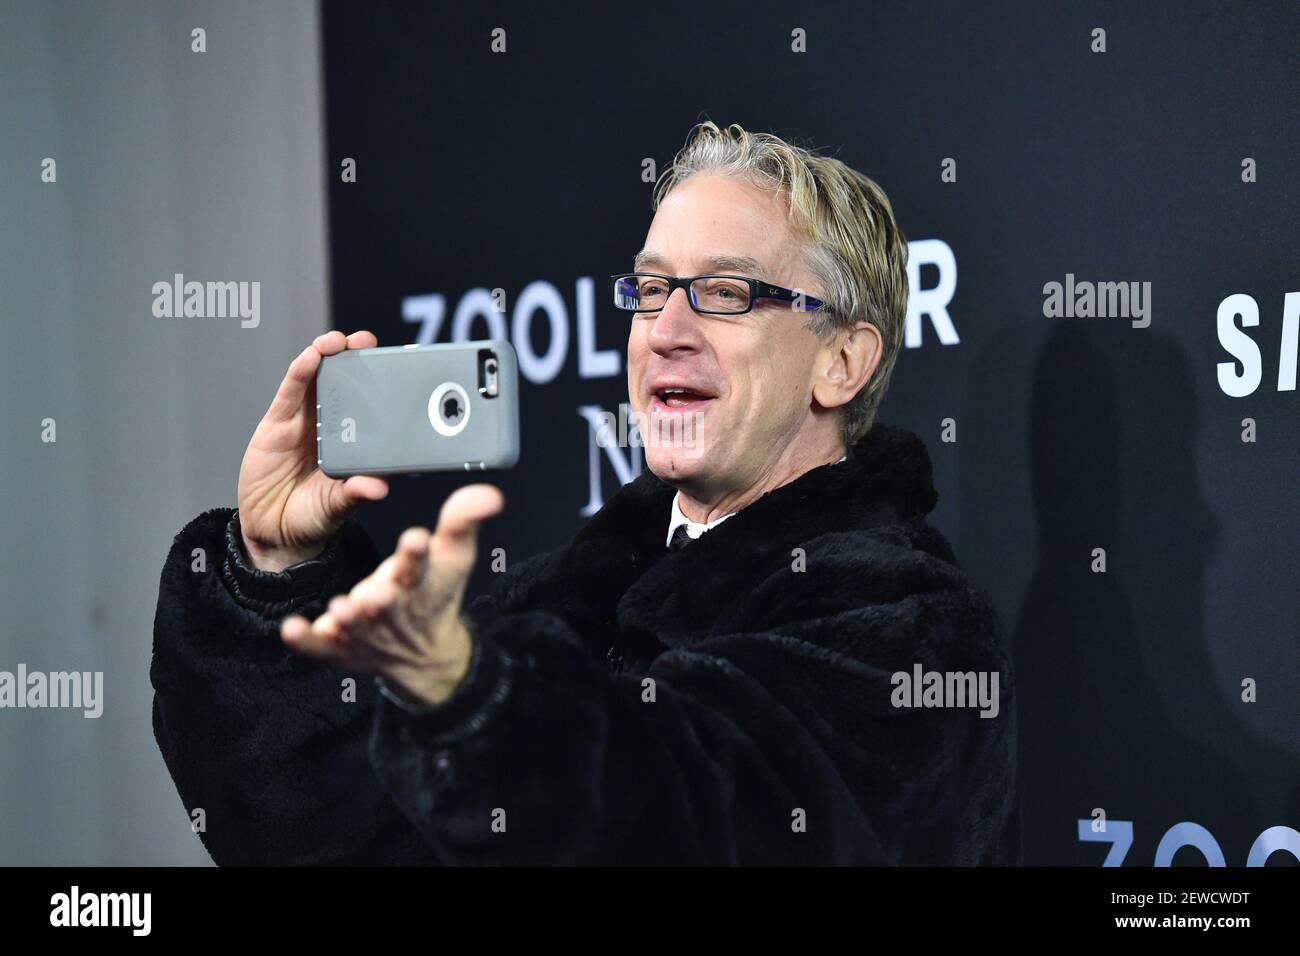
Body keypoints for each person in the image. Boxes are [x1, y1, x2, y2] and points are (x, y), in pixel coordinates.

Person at [150, 121, 1021, 865]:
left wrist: (478, 704)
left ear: (842, 361)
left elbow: (699, 818)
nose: (666, 332)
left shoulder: (915, 631)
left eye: (725, 293)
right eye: (650, 290)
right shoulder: (561, 596)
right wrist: (272, 568)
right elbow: (319, 835)